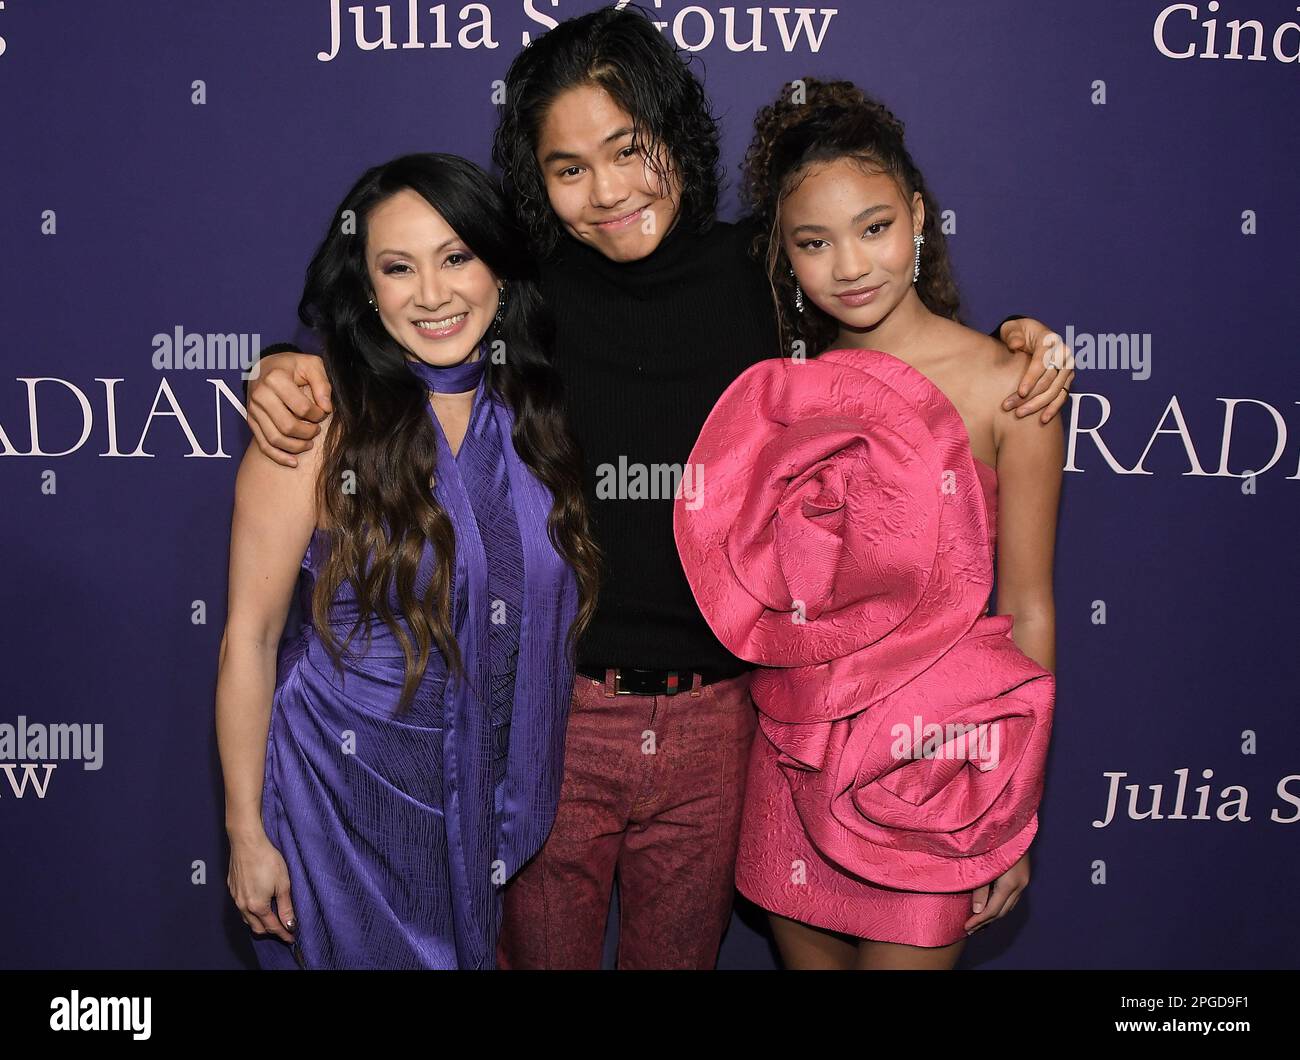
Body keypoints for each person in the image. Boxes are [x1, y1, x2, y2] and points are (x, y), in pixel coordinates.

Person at [240, 6, 1072, 970]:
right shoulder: (524, 297)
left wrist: (1021, 336)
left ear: (675, 134)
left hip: (726, 723)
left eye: (629, 149)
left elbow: (892, 335)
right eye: (568, 169)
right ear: (539, 185)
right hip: (558, 711)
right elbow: (409, 323)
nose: (608, 192)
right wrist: (286, 368)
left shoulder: (768, 277)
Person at [674, 78, 1062, 971]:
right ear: (785, 252)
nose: (850, 265)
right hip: (795, 749)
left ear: (918, 215)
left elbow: (1033, 609)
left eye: (875, 227)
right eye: (815, 242)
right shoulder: (782, 393)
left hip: (933, 764)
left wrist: (1011, 807)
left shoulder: (1014, 386)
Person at [215, 152, 599, 969]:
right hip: (337, 807)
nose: (431, 294)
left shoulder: (536, 418)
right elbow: (249, 639)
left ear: (498, 267)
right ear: (366, 288)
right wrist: (246, 832)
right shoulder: (314, 427)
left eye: (457, 256)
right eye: (398, 267)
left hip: (476, 815)